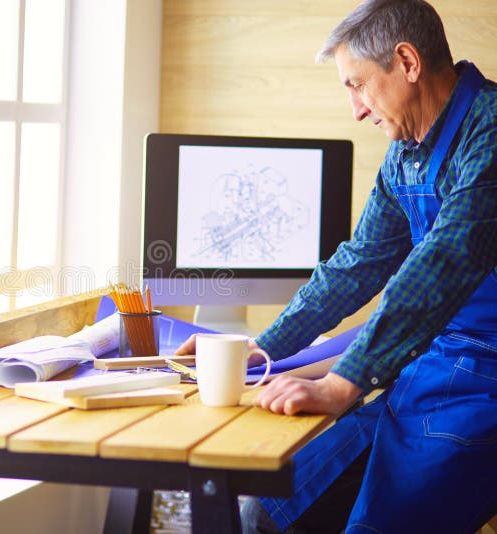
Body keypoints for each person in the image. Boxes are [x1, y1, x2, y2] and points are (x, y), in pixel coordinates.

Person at [175, 0, 497, 531]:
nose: (356, 109)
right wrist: (263, 349)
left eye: (357, 85)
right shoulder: (406, 153)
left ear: (407, 63)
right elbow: (357, 263)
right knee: (265, 512)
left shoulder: (489, 132)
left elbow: (443, 263)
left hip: (483, 387)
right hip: (422, 371)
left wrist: (342, 383)